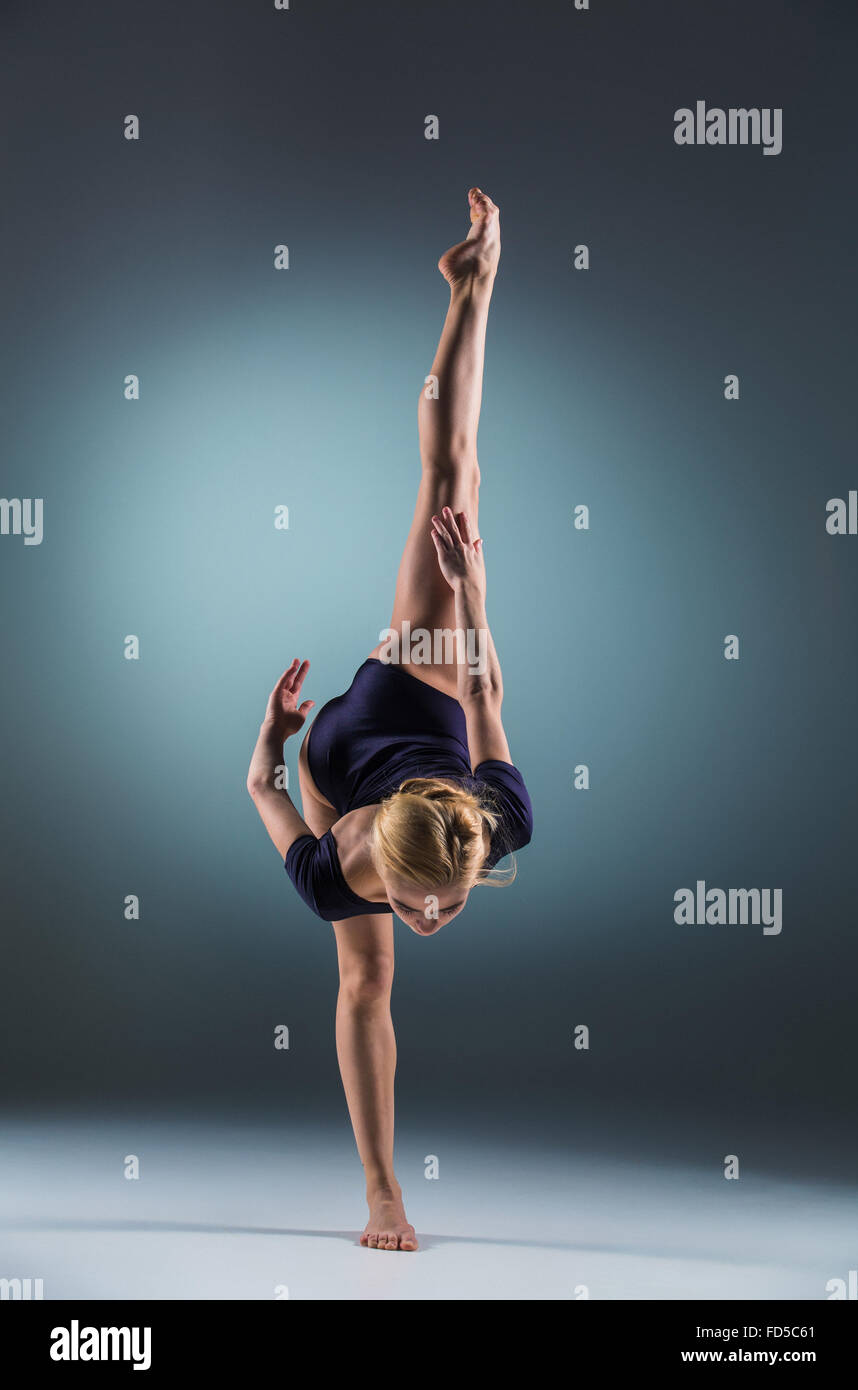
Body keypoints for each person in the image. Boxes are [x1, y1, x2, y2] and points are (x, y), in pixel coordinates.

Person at [247, 189, 532, 1251]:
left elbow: (256, 783)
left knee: (448, 485)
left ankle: (471, 286)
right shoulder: (379, 854)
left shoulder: (472, 829)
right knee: (454, 483)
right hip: (400, 696)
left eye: (443, 902)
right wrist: (469, 594)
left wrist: (269, 735)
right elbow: (483, 692)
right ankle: (380, 1191)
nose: (433, 916)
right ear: (382, 865)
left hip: (350, 732)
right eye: (426, 903)